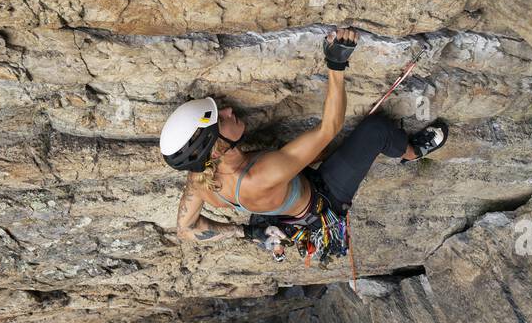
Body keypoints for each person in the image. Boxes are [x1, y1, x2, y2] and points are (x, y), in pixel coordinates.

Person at [159, 29, 448, 261]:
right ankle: (412, 152)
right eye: (220, 120)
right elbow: (329, 128)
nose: (228, 111)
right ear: (216, 145)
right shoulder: (261, 174)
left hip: (281, 204)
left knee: (313, 152)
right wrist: (336, 65)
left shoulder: (199, 178)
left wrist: (247, 233)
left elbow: (185, 229)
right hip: (323, 199)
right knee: (374, 131)